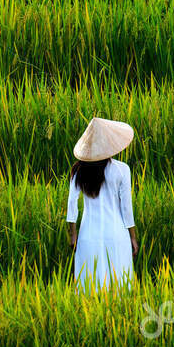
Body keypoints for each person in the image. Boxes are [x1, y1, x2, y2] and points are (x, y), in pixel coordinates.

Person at [65, 117, 137, 290]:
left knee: (88, 287)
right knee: (119, 286)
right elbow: (127, 209)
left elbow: (71, 205)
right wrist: (133, 237)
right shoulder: (122, 169)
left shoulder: (78, 171)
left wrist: (72, 234)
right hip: (117, 234)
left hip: (88, 235)